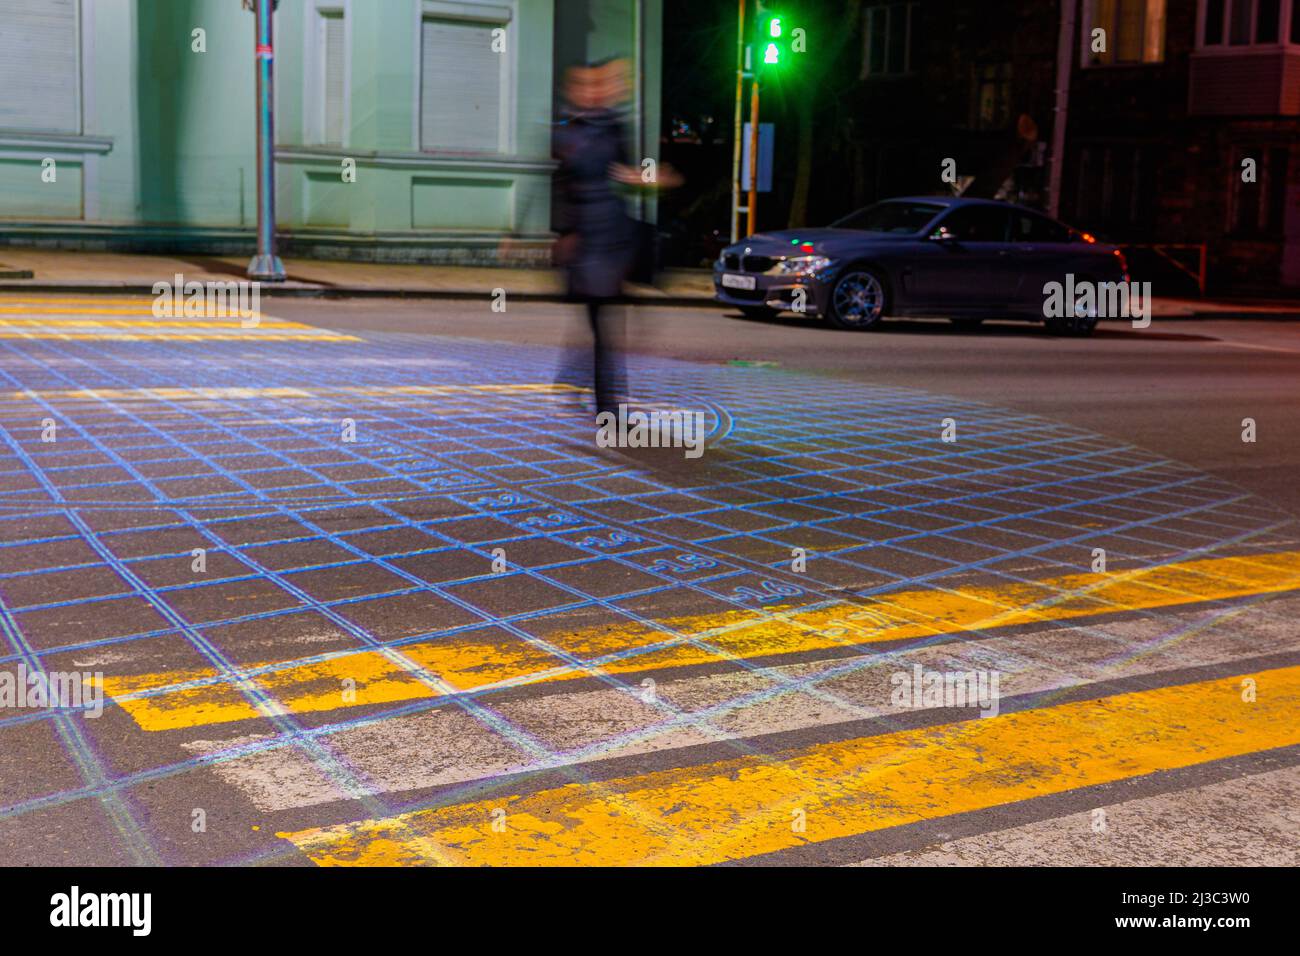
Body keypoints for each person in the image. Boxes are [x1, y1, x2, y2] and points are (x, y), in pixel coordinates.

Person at [553, 58, 678, 416]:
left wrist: (650, 179)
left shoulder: (615, 126)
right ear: (577, 88)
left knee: (603, 318)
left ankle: (580, 380)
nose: (601, 90)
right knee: (602, 321)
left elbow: (621, 172)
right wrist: (562, 233)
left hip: (613, 235)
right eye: (592, 84)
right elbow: (558, 184)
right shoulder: (565, 129)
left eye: (606, 84)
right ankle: (605, 402)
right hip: (584, 238)